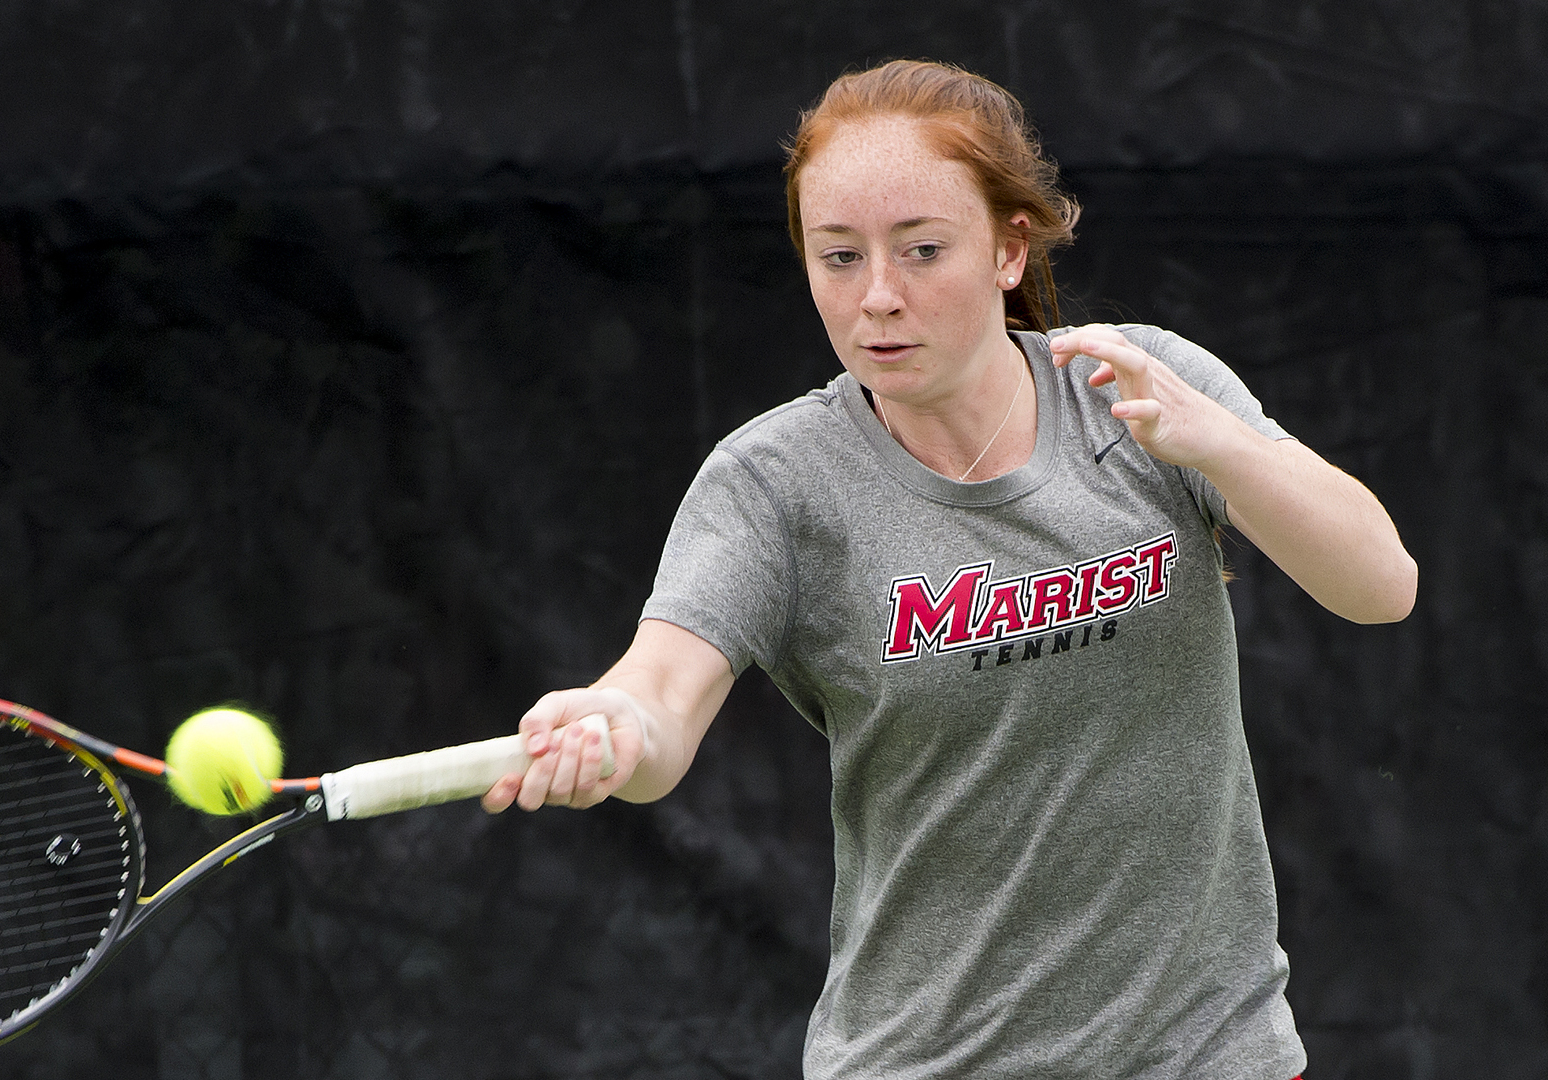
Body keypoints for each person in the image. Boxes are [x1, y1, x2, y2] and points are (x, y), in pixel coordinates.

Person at [481, 59, 1417, 1079]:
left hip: (1210, 1054)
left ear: (1010, 248)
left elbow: (1380, 584)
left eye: (922, 250)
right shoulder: (774, 483)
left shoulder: (1141, 388)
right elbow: (658, 701)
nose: (878, 297)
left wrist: (1223, 446)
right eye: (838, 257)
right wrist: (614, 727)